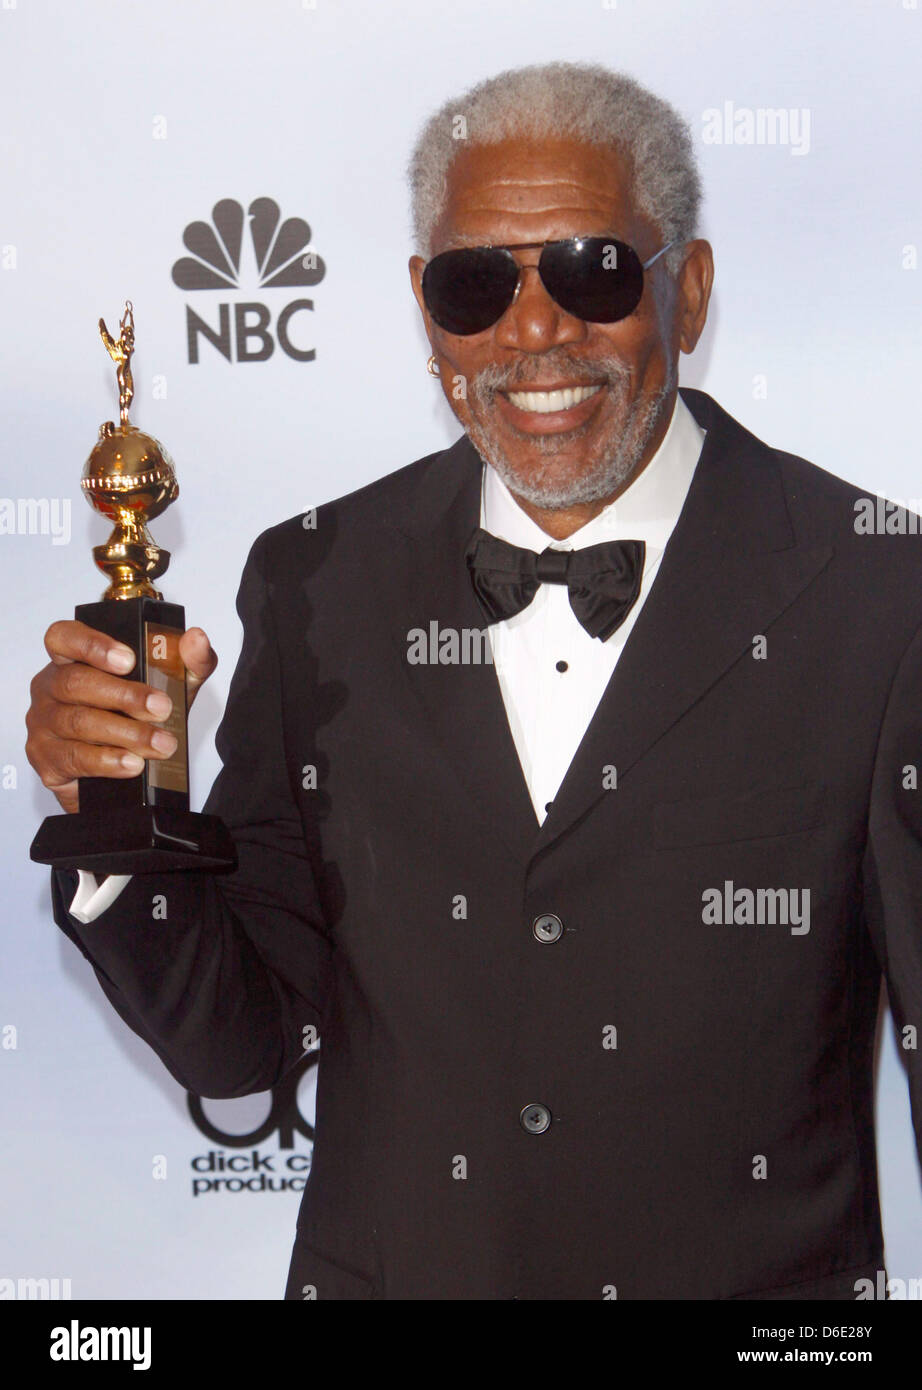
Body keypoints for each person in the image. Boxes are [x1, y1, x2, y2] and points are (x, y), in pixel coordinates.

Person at [25, 61, 922, 1300]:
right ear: (424, 307)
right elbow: (240, 1046)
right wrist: (116, 823)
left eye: (593, 271)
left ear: (690, 289)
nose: (534, 329)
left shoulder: (880, 592)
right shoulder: (316, 581)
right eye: (475, 283)